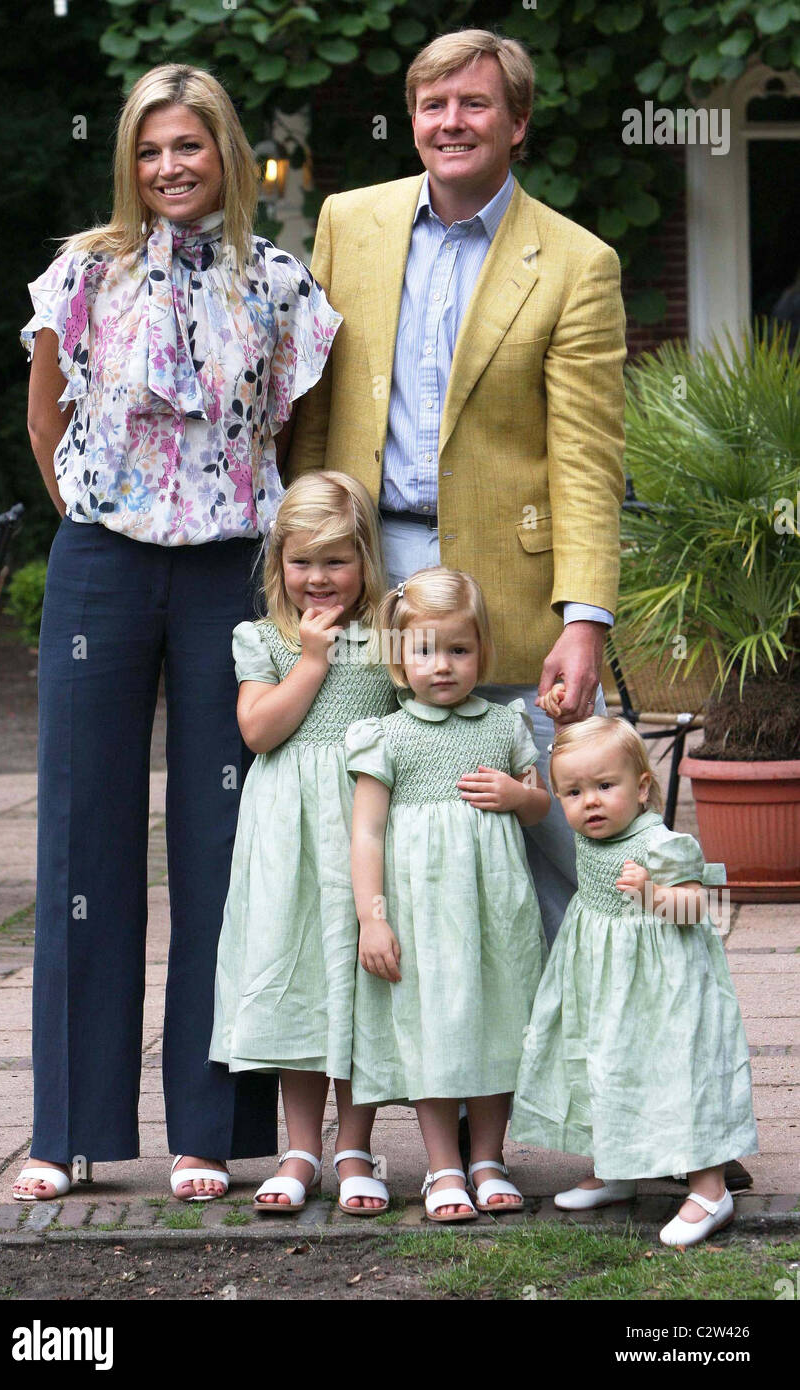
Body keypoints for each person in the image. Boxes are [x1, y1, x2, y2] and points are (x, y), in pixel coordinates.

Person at [14, 64, 341, 1202]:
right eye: (150, 150)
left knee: (226, 846)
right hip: (102, 567)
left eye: (189, 147)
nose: (169, 168)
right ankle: (66, 1130)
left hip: (229, 574)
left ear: (227, 155)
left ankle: (211, 1126)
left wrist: (226, 525)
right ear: (129, 160)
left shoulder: (283, 284)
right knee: (81, 843)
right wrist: (105, 514)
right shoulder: (84, 272)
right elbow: (46, 415)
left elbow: (291, 437)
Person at [288, 28, 627, 947]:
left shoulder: (576, 262)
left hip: (509, 595)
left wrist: (584, 619)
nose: (452, 122)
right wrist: (298, 576)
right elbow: (311, 414)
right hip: (364, 577)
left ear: (517, 123)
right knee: (369, 821)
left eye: (476, 104)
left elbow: (587, 457)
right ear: (411, 121)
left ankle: (579, 1052)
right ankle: (411, 1057)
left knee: (551, 841)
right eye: (434, 105)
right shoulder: (348, 225)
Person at [210, 472, 398, 1215]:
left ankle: (356, 1146)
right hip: (289, 838)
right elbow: (258, 730)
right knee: (298, 983)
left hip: (364, 830)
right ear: (277, 565)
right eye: (302, 562)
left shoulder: (389, 632)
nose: (318, 579)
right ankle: (300, 1150)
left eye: (337, 562)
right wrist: (314, 661)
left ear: (366, 560)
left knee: (356, 986)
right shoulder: (263, 638)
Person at [346, 568, 550, 1221]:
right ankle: (441, 1167)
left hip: (495, 913)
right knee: (432, 1031)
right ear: (399, 659)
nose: (443, 666)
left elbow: (540, 807)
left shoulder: (505, 724)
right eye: (426, 650)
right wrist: (371, 919)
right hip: (421, 913)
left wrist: (520, 797)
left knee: (498, 1024)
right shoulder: (387, 735)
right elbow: (367, 834)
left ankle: (488, 1157)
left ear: (481, 654)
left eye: (459, 651)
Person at [510, 714, 758, 1247]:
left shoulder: (662, 843)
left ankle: (711, 1188)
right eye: (573, 792)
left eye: (605, 786)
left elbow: (701, 907)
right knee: (602, 1062)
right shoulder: (589, 837)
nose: (590, 802)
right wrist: (561, 720)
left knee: (676, 1072)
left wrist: (653, 894)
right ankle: (616, 1167)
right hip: (599, 974)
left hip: (663, 987)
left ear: (642, 787)